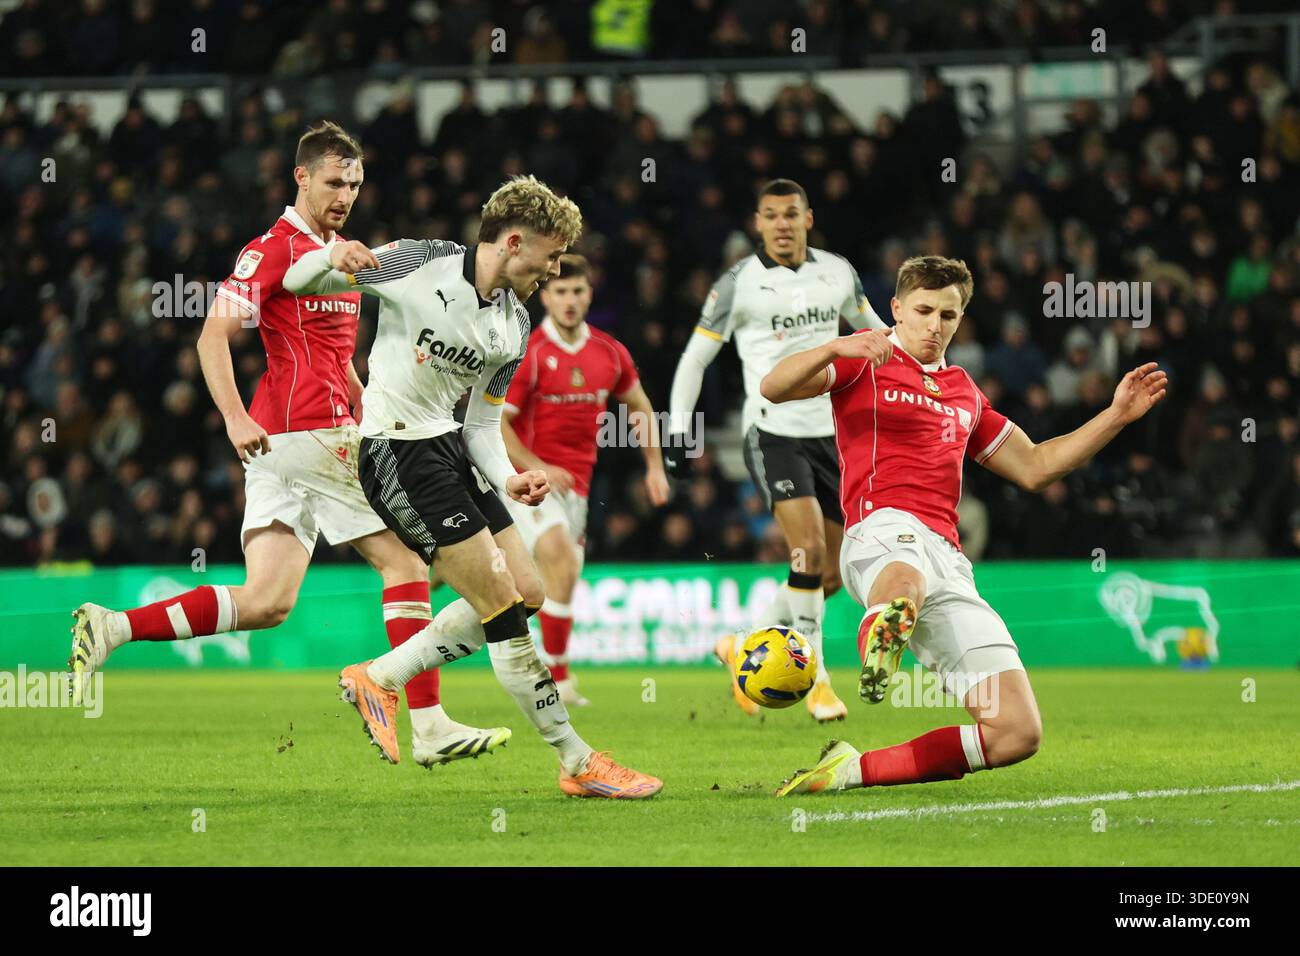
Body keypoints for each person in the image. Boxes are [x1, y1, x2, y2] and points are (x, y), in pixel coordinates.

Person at [68, 122, 507, 768]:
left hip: (294, 442)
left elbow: (337, 360)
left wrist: (368, 398)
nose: (345, 195)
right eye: (334, 181)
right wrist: (233, 417)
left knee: (267, 600)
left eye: (354, 184)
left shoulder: (341, 254)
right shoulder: (273, 250)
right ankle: (430, 723)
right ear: (299, 176)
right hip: (306, 432)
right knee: (411, 565)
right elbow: (211, 337)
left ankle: (110, 626)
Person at [282, 175, 662, 799]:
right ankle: (577, 760)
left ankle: (379, 675)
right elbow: (298, 284)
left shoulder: (512, 326)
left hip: (452, 450)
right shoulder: (417, 261)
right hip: (398, 454)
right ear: (514, 242)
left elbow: (483, 422)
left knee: (530, 590)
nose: (553, 269)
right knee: (502, 609)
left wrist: (511, 477)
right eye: (550, 255)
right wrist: (328, 257)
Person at [760, 255, 1166, 795]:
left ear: (960, 318)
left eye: (947, 315)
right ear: (897, 310)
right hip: (880, 530)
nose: (934, 325)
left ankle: (850, 769)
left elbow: (1037, 466)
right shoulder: (865, 359)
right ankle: (882, 637)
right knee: (904, 583)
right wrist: (838, 344)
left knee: (1016, 732)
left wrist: (1115, 415)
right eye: (923, 311)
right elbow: (772, 386)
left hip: (949, 560)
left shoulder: (964, 392)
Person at [665, 178, 889, 722]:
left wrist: (927, 380)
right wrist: (677, 429)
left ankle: (743, 644)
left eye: (792, 214)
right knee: (807, 551)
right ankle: (818, 681)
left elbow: (877, 335)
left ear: (808, 218)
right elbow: (696, 358)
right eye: (771, 215)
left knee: (831, 574)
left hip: (834, 434)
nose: (782, 224)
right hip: (772, 431)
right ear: (758, 223)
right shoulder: (736, 283)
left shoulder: (837, 272)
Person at [500, 253, 669, 706]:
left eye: (577, 291)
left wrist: (655, 466)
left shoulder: (608, 352)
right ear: (545, 297)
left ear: (589, 294)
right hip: (529, 485)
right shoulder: (531, 353)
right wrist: (537, 465)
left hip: (577, 488)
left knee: (564, 577)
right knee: (557, 558)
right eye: (560, 291)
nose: (569, 300)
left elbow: (640, 407)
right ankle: (557, 679)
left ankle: (452, 565)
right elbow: (500, 425)